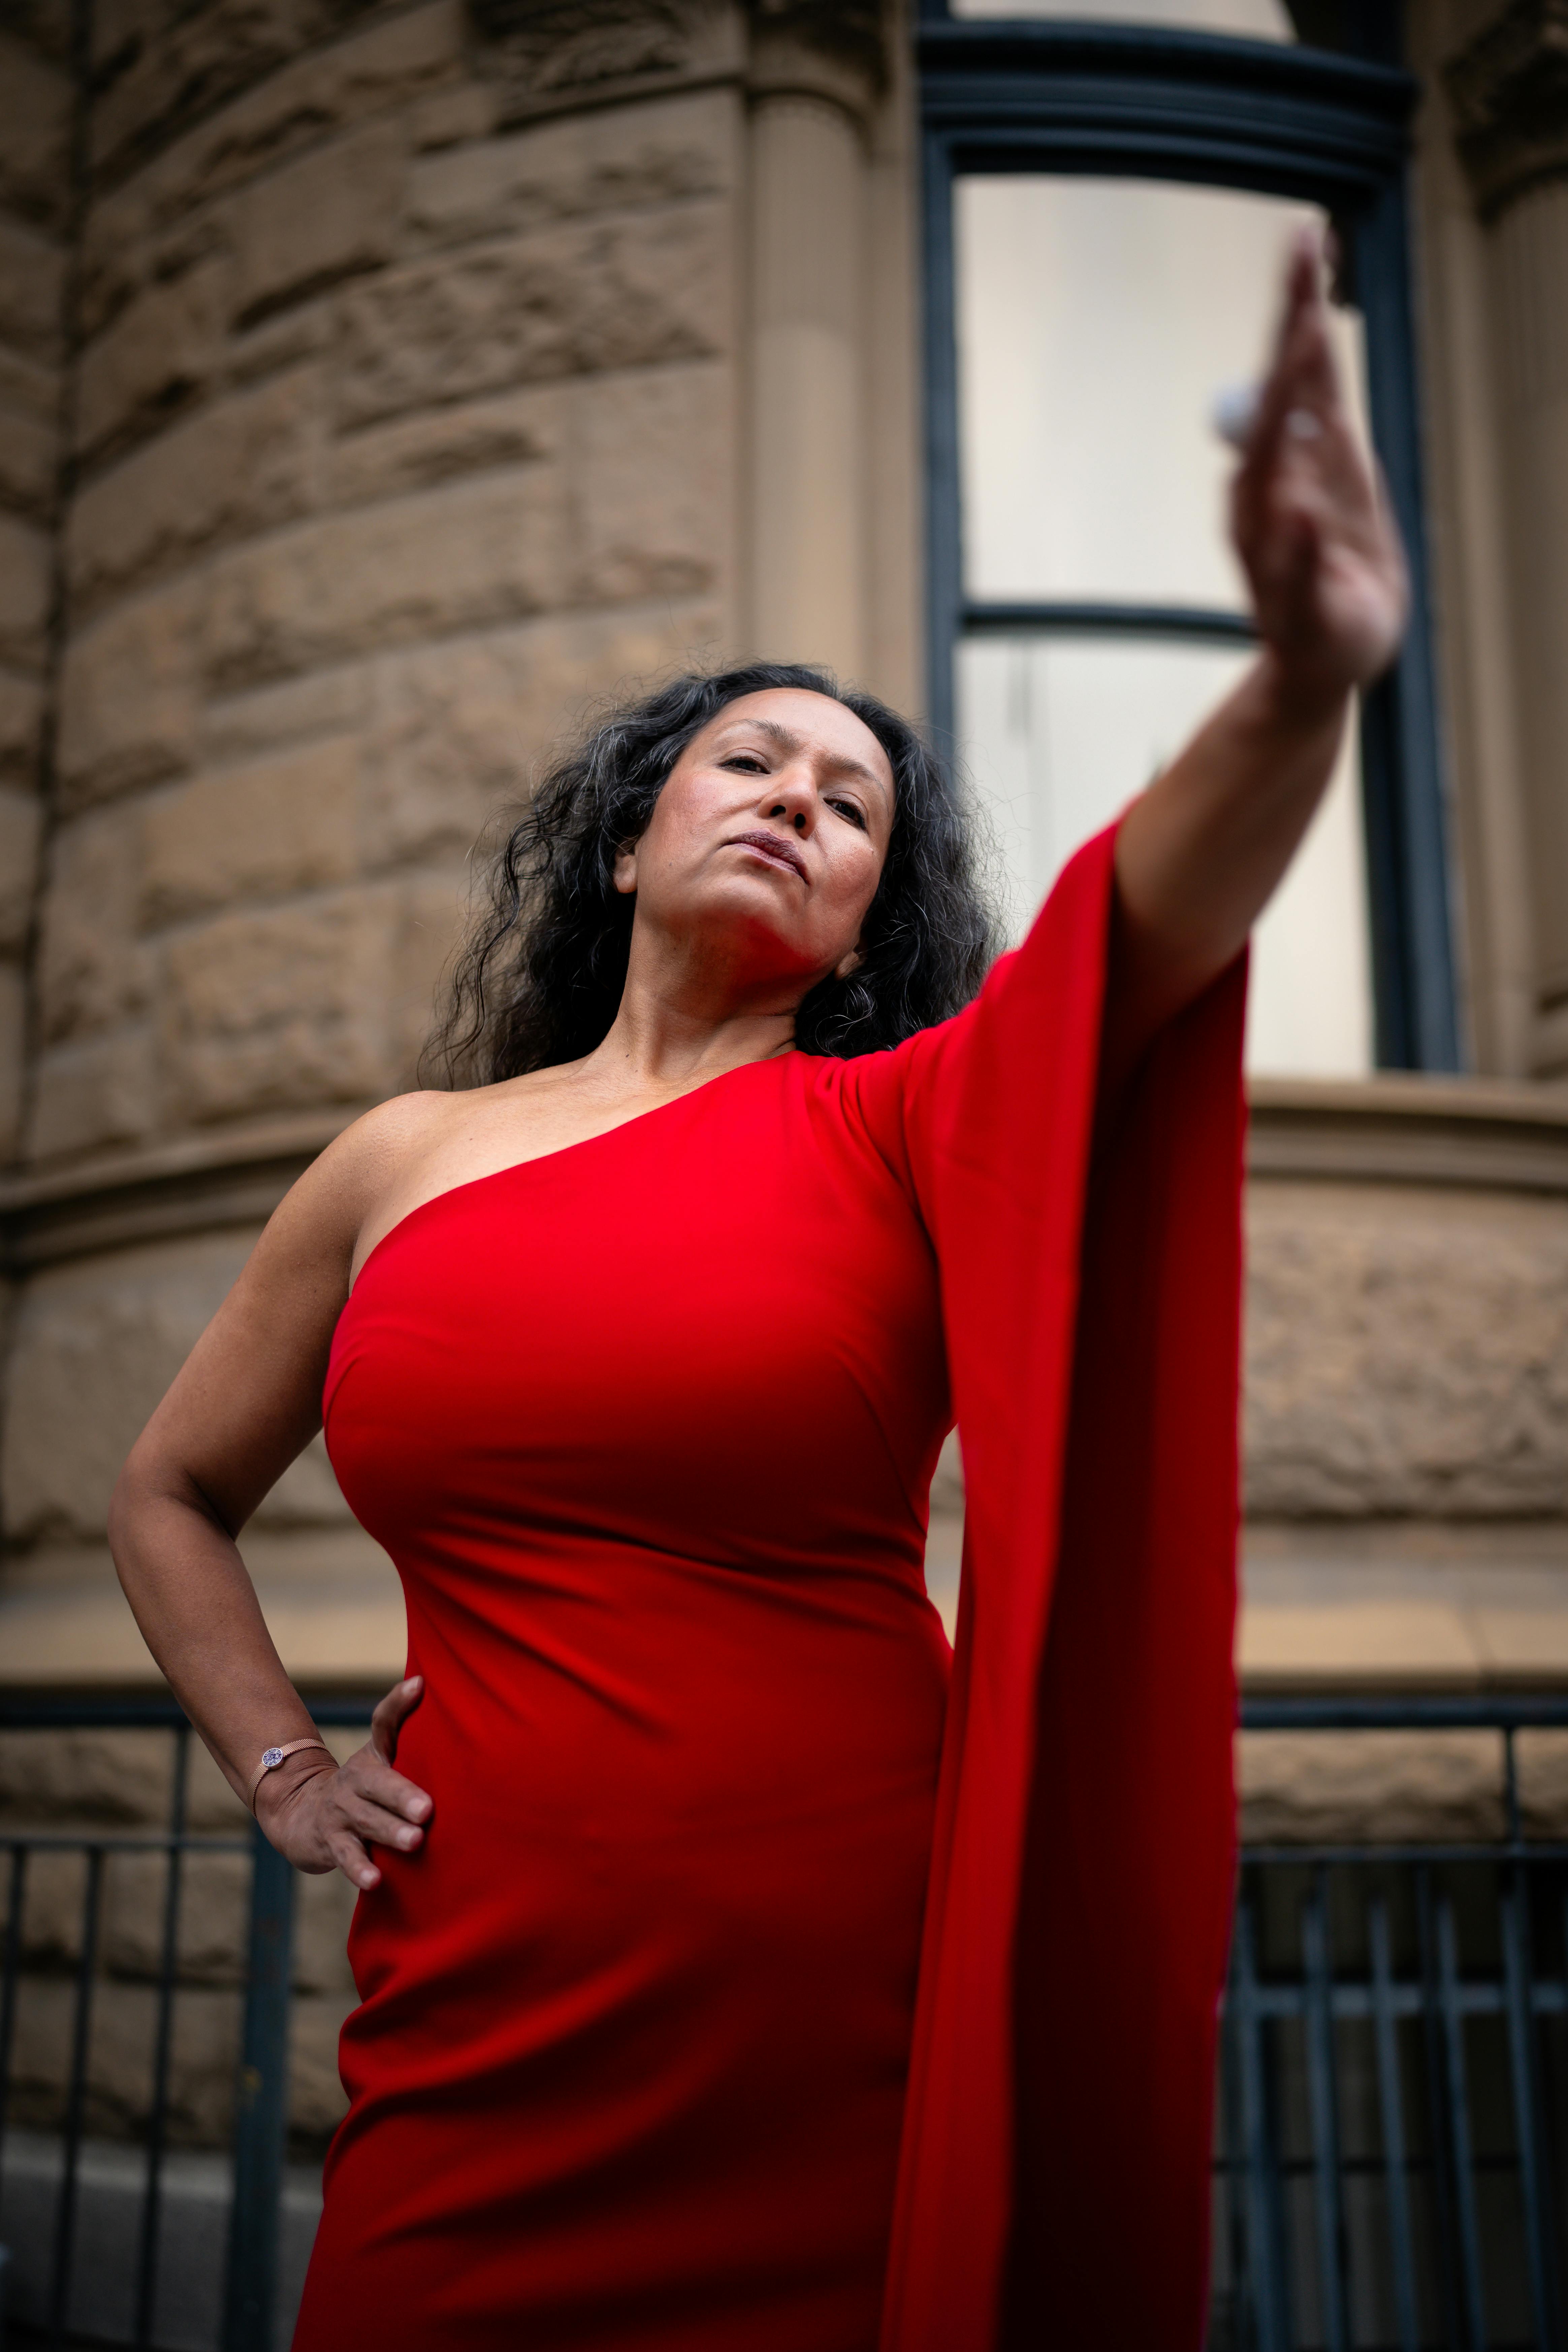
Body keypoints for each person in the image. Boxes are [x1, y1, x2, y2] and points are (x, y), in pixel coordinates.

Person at [109, 235, 1405, 2351]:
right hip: (478, 1993)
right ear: (630, 842)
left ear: (873, 908)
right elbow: (165, 1492)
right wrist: (278, 1770)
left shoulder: (903, 1115)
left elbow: (1140, 929)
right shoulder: (396, 1156)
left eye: (853, 806)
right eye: (753, 764)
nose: (799, 801)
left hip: (836, 1991)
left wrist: (1305, 678)